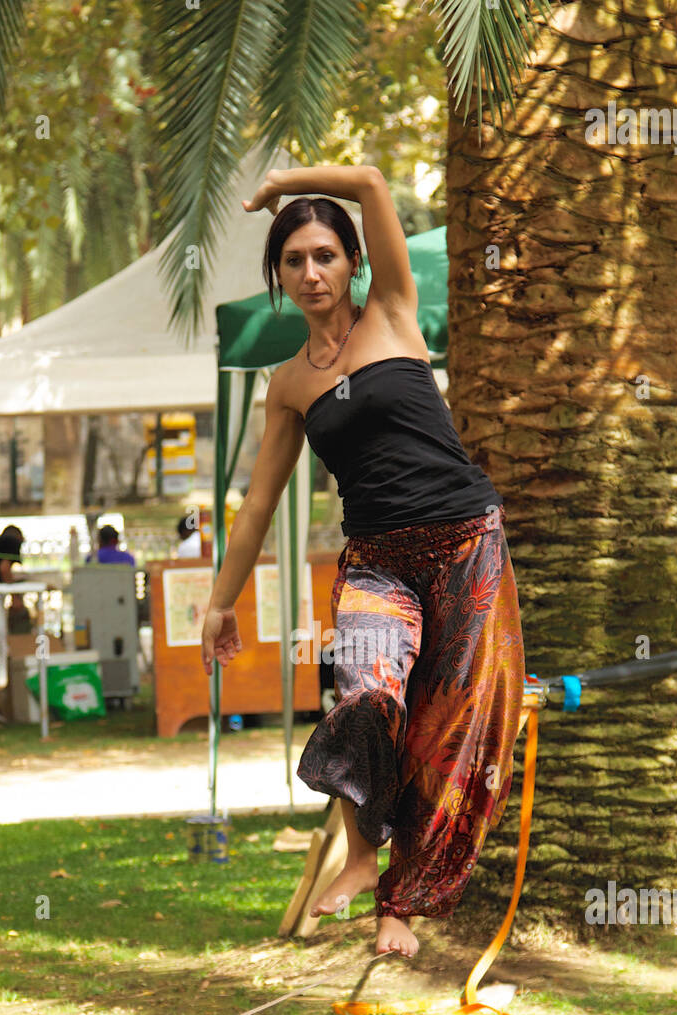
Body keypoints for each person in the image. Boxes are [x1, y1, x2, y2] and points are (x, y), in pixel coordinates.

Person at [201, 164, 525, 961]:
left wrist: (285, 181)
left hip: (464, 546)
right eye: (293, 261)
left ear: (353, 261)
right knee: (366, 695)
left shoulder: (392, 314)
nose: (311, 273)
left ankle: (398, 910)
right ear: (278, 276)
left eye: (325, 255)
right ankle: (358, 852)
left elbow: (374, 183)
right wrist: (220, 601)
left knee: (449, 734)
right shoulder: (287, 386)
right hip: (376, 560)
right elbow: (257, 506)